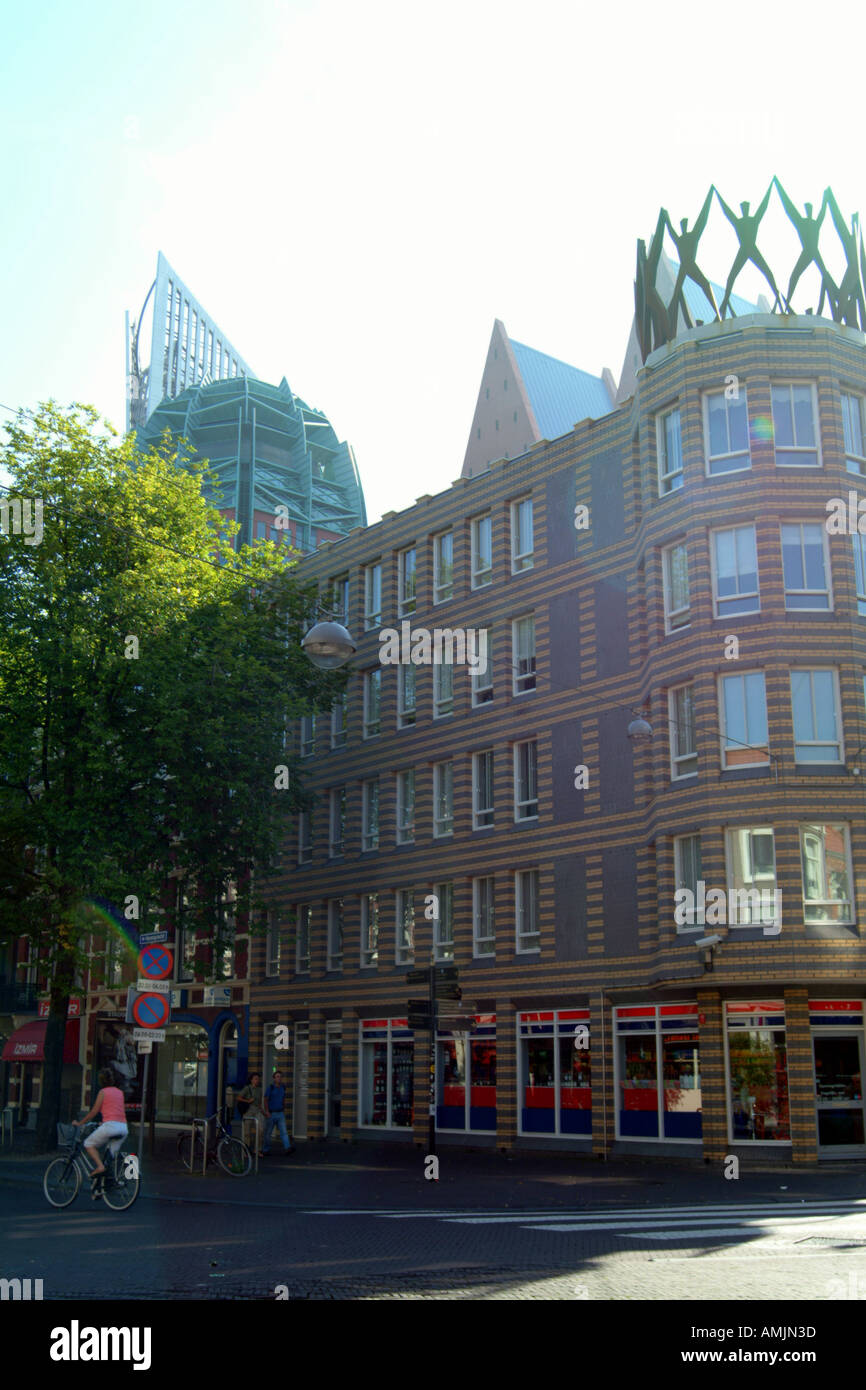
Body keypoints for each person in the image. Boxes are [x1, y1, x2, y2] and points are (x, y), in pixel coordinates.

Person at [73, 1068, 129, 1195]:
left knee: (88, 1144)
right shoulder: (120, 1092)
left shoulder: (102, 1092)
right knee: (109, 1156)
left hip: (110, 1127)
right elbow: (116, 1111)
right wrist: (103, 1123)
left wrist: (80, 1123)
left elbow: (94, 1112)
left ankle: (99, 1166)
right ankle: (103, 1185)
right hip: (123, 1128)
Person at [261, 1070, 295, 1155]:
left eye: (280, 1077)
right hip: (271, 1113)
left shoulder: (283, 1087)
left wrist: (283, 1106)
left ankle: (287, 1148)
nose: (279, 1078)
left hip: (280, 1113)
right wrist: (267, 1111)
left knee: (284, 1132)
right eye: (277, 1077)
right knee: (268, 1133)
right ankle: (266, 1149)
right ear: (274, 1078)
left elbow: (283, 1097)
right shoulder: (270, 1088)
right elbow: (266, 1100)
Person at [238, 1071, 265, 1156]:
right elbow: (238, 1098)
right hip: (248, 1110)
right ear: (251, 1080)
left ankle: (258, 1150)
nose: (257, 1080)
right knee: (247, 1132)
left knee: (260, 1130)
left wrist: (263, 1111)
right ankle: (246, 1150)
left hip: (257, 1110)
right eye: (256, 1079)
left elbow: (260, 1102)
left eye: (258, 1079)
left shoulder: (260, 1090)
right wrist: (248, 1101)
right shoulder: (247, 1088)